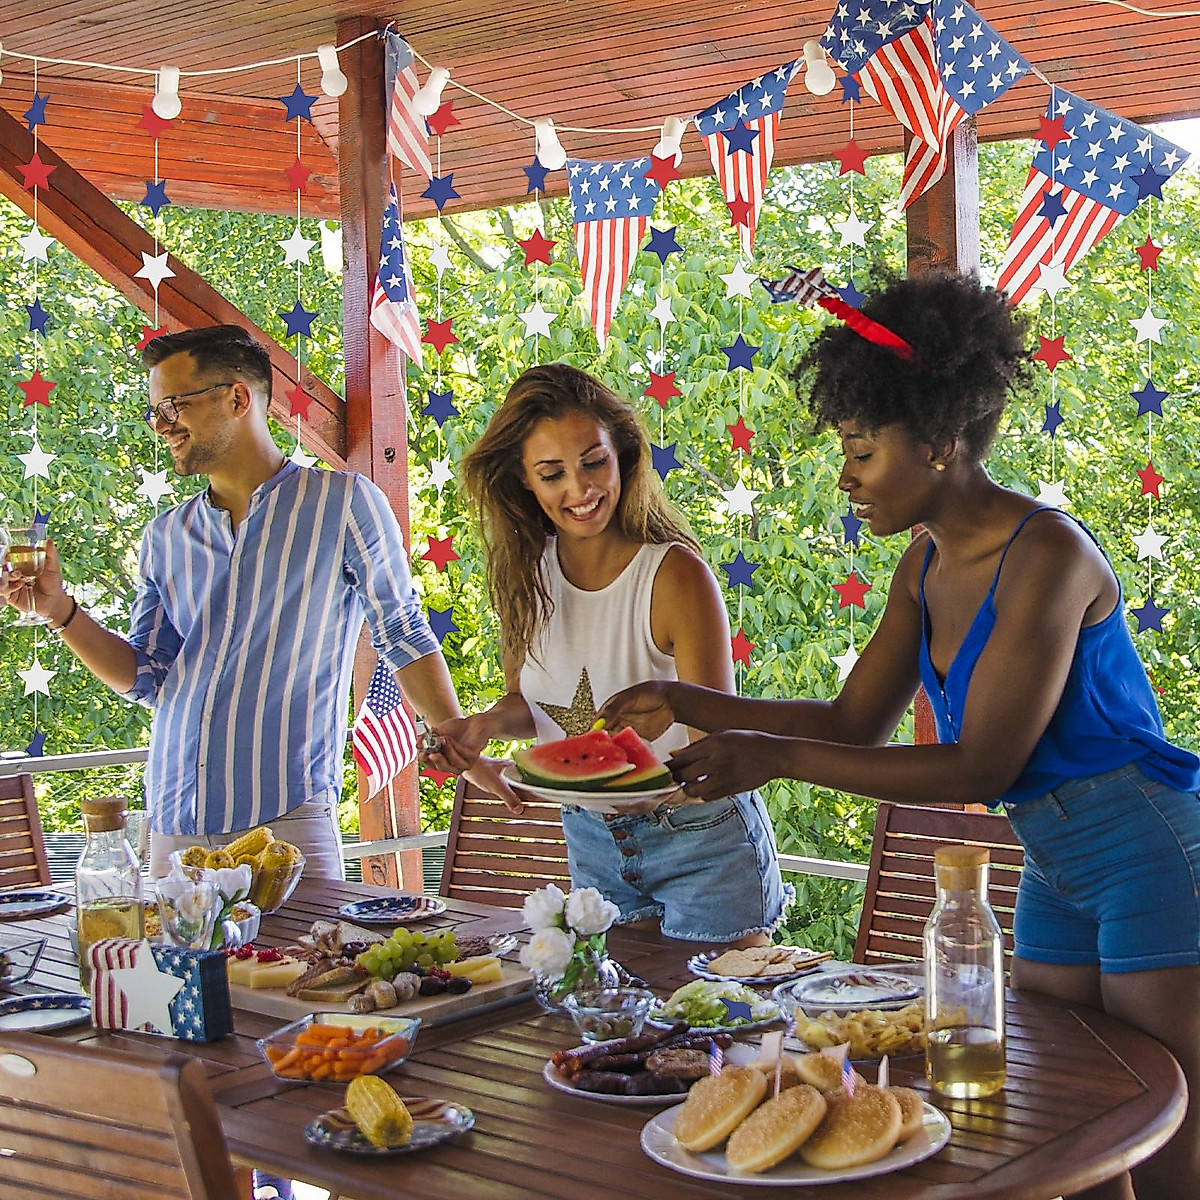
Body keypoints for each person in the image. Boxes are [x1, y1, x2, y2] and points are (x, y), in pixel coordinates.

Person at [599, 272, 1200, 1200]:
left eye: (861, 450)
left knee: (1160, 1146)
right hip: (1052, 858)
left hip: (1144, 847)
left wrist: (769, 760)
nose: (845, 476)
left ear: (941, 441)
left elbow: (982, 764)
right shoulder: (922, 565)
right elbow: (852, 721)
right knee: (1066, 1122)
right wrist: (695, 701)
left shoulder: (1049, 554)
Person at [1, 324, 513, 880]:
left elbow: (402, 630)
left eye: (172, 405)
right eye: (154, 411)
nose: (161, 425)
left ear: (237, 398)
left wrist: (460, 741)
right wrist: (60, 612)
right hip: (173, 824)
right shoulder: (165, 536)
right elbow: (148, 678)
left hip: (286, 819)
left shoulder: (342, 502)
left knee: (311, 969)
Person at [422, 363, 792, 946]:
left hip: (702, 835)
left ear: (622, 455)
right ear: (524, 482)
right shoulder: (525, 576)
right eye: (552, 474)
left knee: (725, 1021)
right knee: (623, 1025)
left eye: (594, 462)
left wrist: (641, 778)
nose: (580, 489)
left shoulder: (675, 576)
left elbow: (713, 737)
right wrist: (484, 726)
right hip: (592, 842)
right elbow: (534, 702)